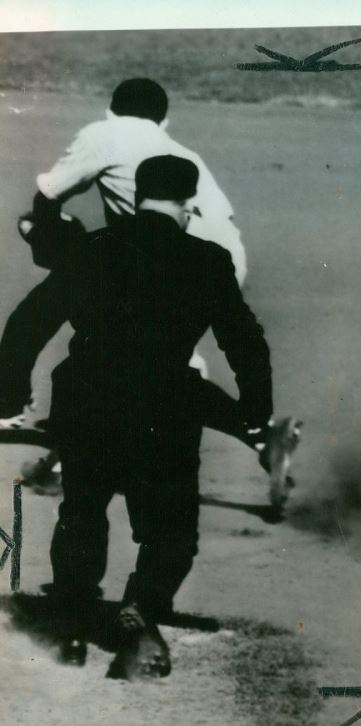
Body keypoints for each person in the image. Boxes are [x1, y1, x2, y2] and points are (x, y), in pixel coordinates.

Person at [4, 156, 274, 678]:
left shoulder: (90, 248)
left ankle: (76, 625)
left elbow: (27, 323)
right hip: (166, 402)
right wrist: (255, 411)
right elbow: (245, 342)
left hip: (87, 396)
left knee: (83, 510)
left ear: (137, 195)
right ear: (188, 205)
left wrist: (8, 396)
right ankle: (141, 611)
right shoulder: (207, 258)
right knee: (170, 528)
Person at [0, 77, 298, 503]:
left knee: (106, 350)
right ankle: (261, 436)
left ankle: (45, 440)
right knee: (157, 369)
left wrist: (42, 235)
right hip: (222, 256)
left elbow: (48, 194)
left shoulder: (105, 133)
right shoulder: (180, 152)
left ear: (111, 110)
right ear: (164, 119)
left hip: (168, 260)